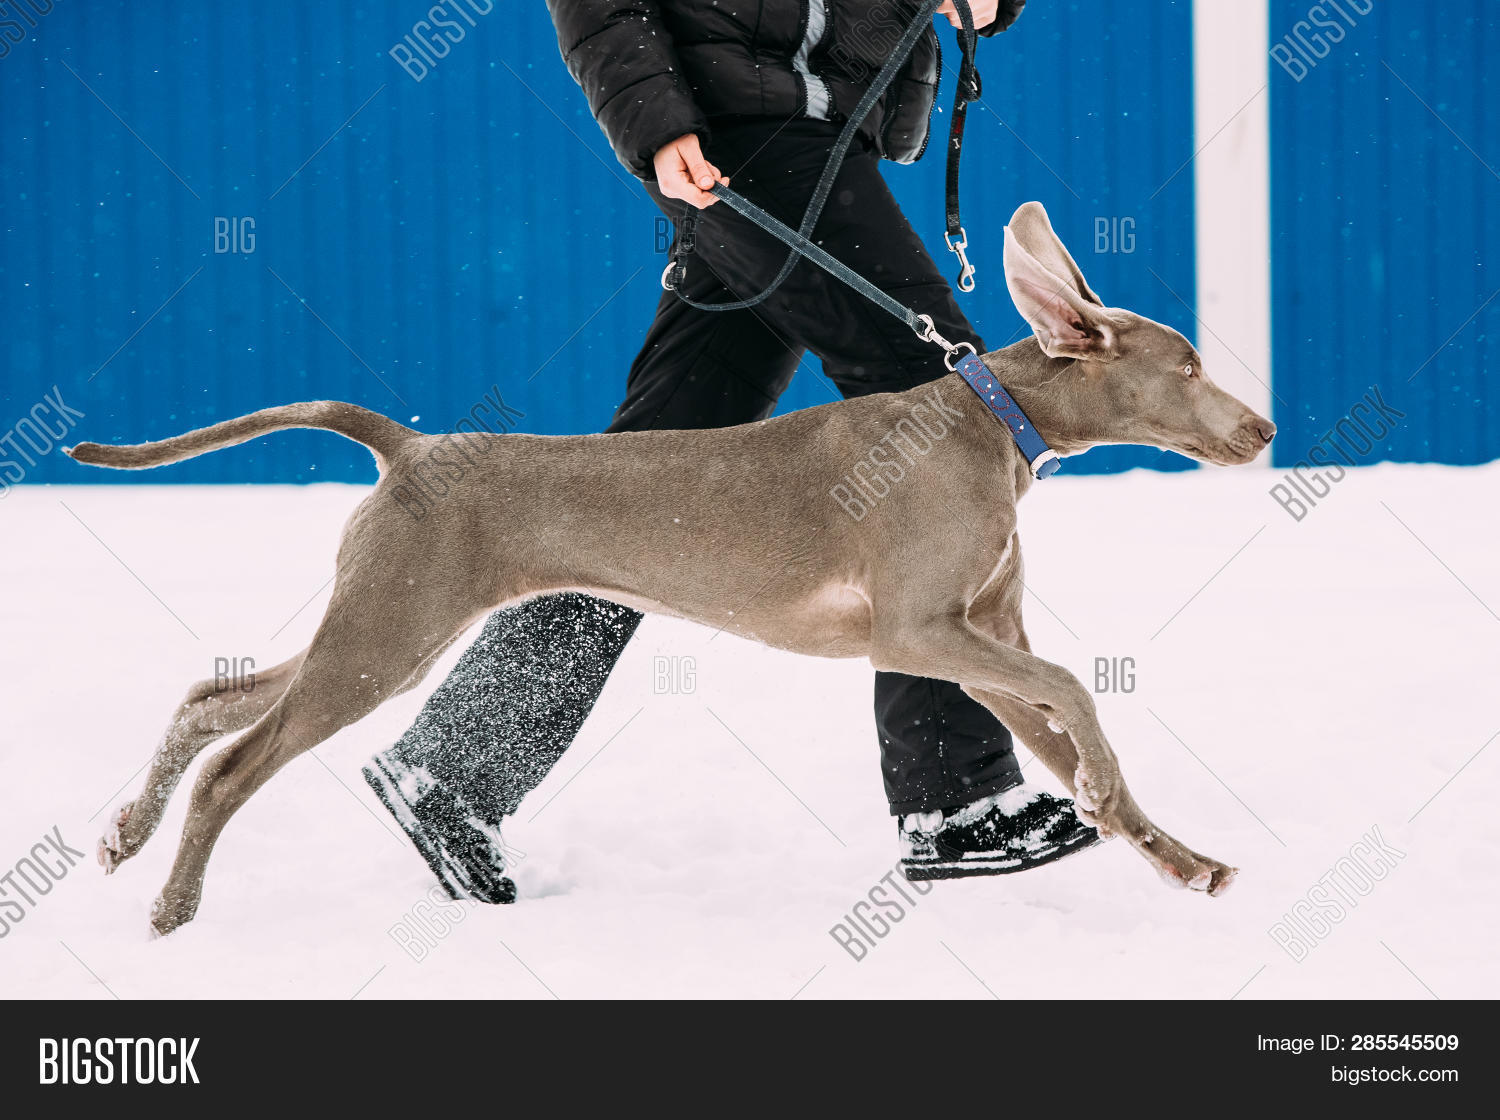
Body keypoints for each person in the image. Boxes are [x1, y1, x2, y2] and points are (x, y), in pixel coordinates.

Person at [362, 0, 1098, 903]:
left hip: (812, 125)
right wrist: (656, 118)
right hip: (744, 130)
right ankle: (956, 796)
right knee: (940, 411)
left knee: (640, 489)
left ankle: (458, 766)